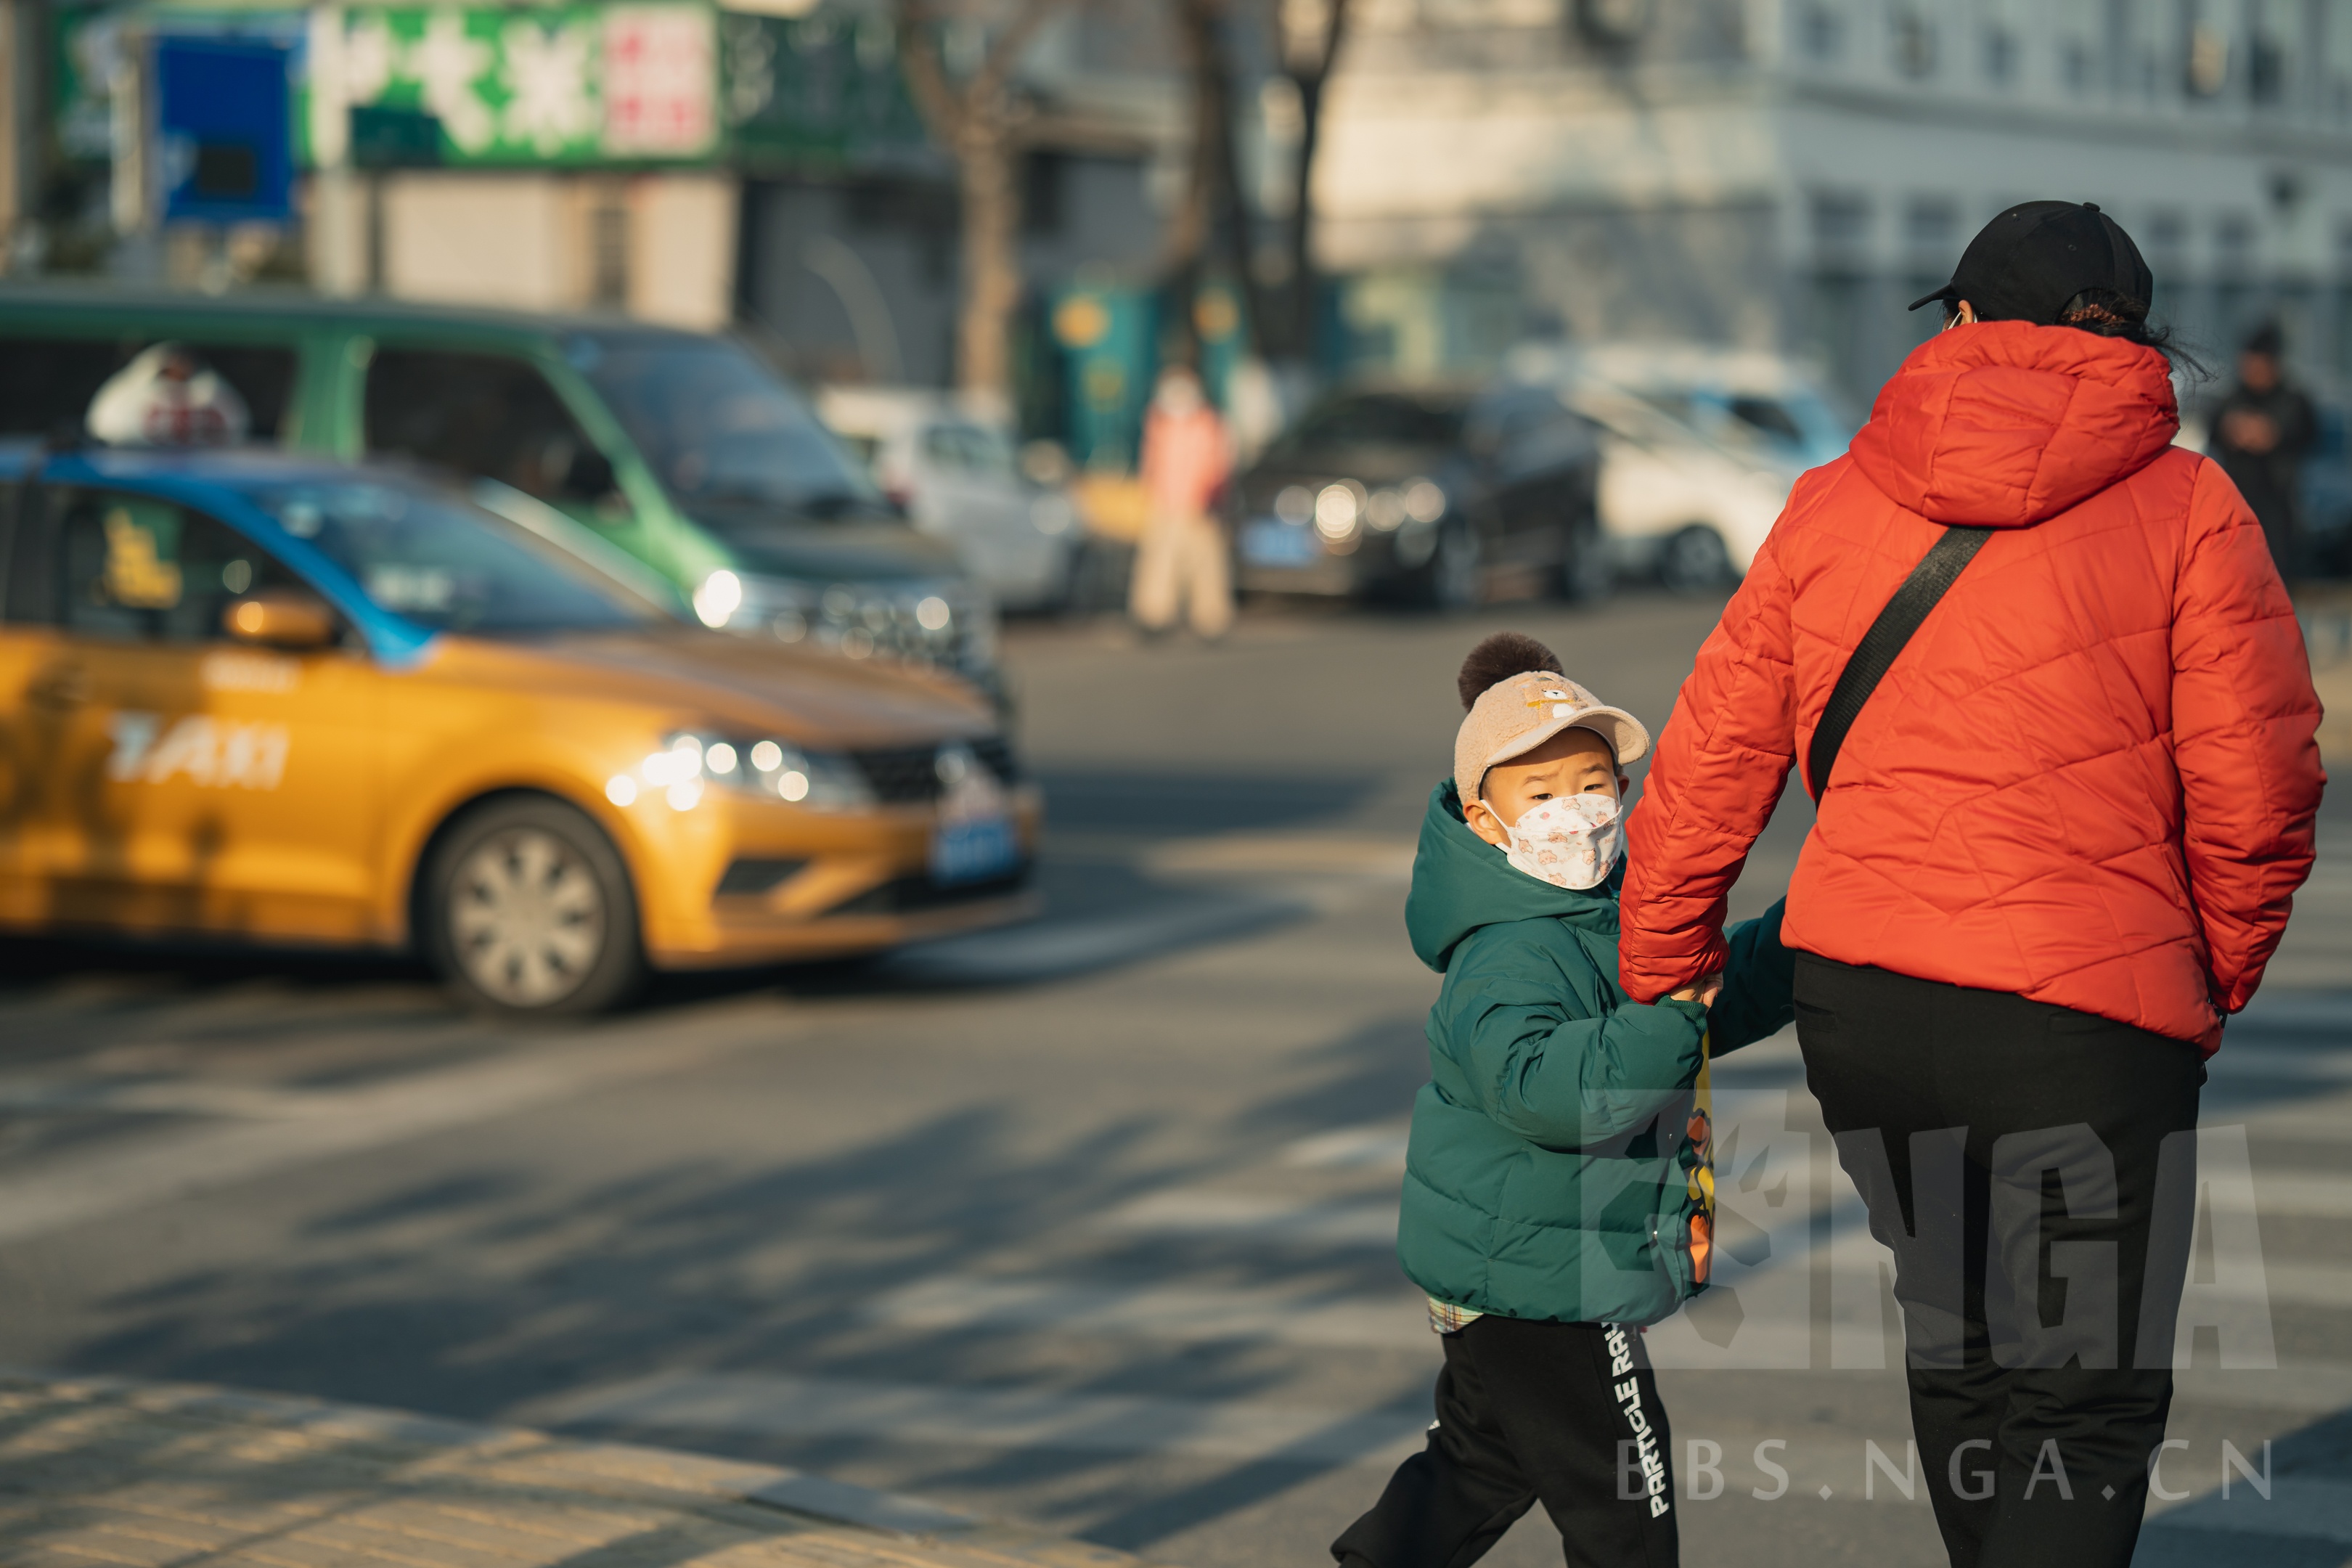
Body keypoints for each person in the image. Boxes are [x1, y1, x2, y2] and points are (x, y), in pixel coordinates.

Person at [1618, 201, 2326, 1568]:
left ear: (1960, 323)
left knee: (1965, 1347)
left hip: (1865, 1011)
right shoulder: (2190, 508)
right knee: (2086, 1394)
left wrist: (1661, 983)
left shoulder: (1830, 502)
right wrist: (2210, 976)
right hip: (2089, 1024)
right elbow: (2264, 788)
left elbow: (1708, 764)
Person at [1331, 632, 1794, 1568]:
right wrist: (1673, 1018)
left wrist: (1794, 941)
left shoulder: (1592, 910)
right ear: (1483, 817)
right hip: (1548, 1284)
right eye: (1539, 796)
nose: (1574, 814)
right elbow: (1553, 1092)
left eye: (1592, 785)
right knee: (1629, 1505)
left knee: (1480, 1464)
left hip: (1512, 1267)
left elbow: (1686, 1000)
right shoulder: (1506, 951)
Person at [1129, 364, 1234, 638]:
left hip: (1200, 504)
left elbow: (1218, 461)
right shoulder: (1157, 421)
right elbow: (1150, 462)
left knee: (1205, 565)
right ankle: (1154, 616)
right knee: (1158, 562)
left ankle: (1211, 619)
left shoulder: (1208, 422)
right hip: (1165, 502)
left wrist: (1213, 494)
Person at [2211, 319, 2318, 579]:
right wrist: (2232, 430)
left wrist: (2272, 434)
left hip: (2277, 509)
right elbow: (2214, 431)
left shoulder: (2293, 400)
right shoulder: (2232, 398)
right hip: (2234, 505)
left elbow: (2306, 435)